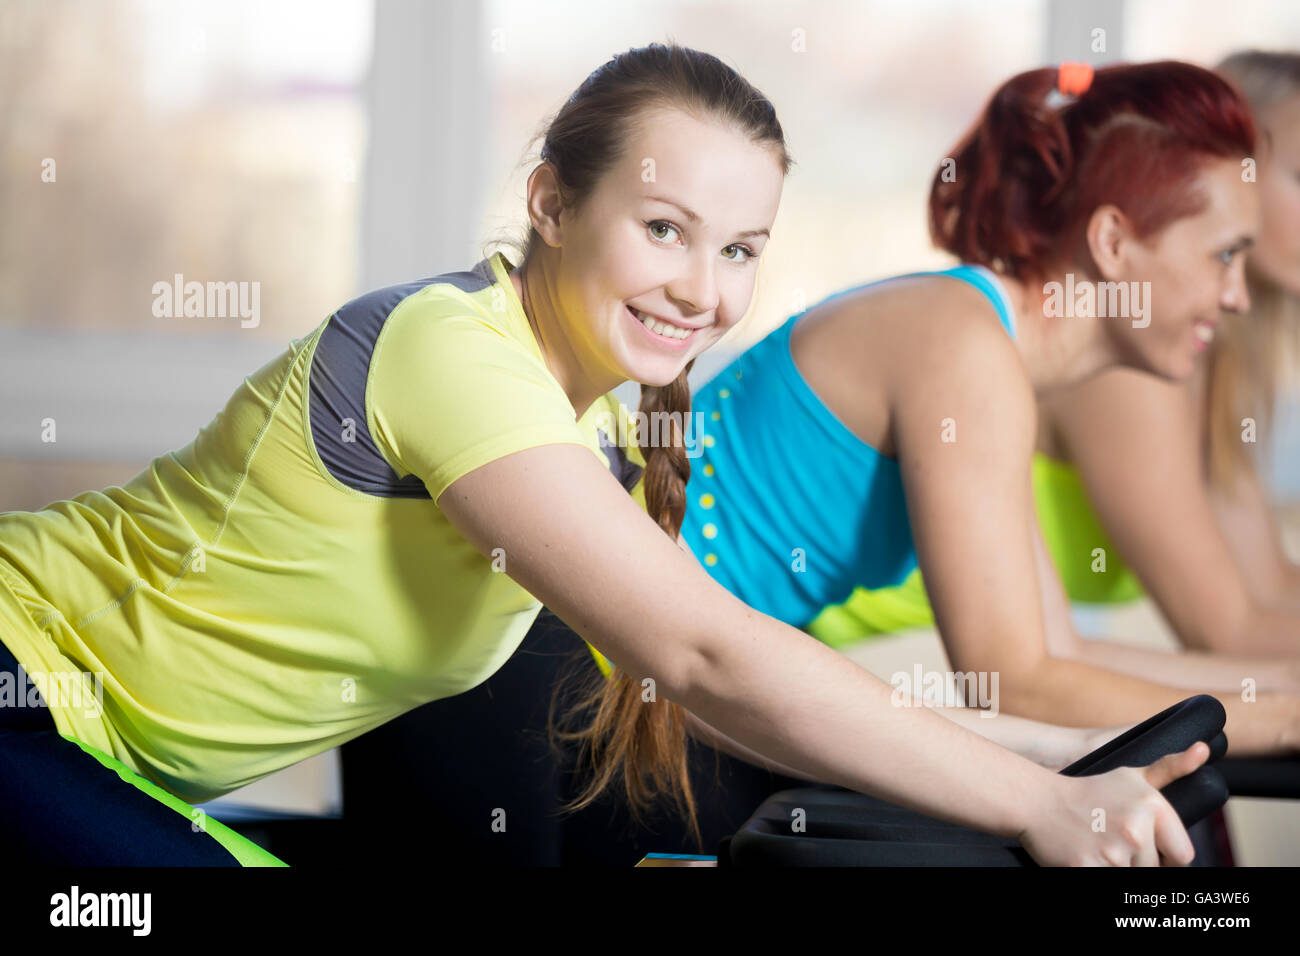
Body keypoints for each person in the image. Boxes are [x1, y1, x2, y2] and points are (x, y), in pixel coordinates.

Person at [0, 43, 1207, 868]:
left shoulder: (598, 426)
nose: (701, 288)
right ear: (550, 201)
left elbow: (701, 679)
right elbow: (706, 651)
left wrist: (1062, 754)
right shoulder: (449, 350)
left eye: (740, 248)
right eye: (663, 228)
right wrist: (1045, 804)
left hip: (126, 760)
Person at [812, 51, 1300, 664]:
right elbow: (1224, 633)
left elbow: (1268, 584)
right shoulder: (1119, 357)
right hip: (855, 651)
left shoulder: (1186, 354)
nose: (1234, 292)